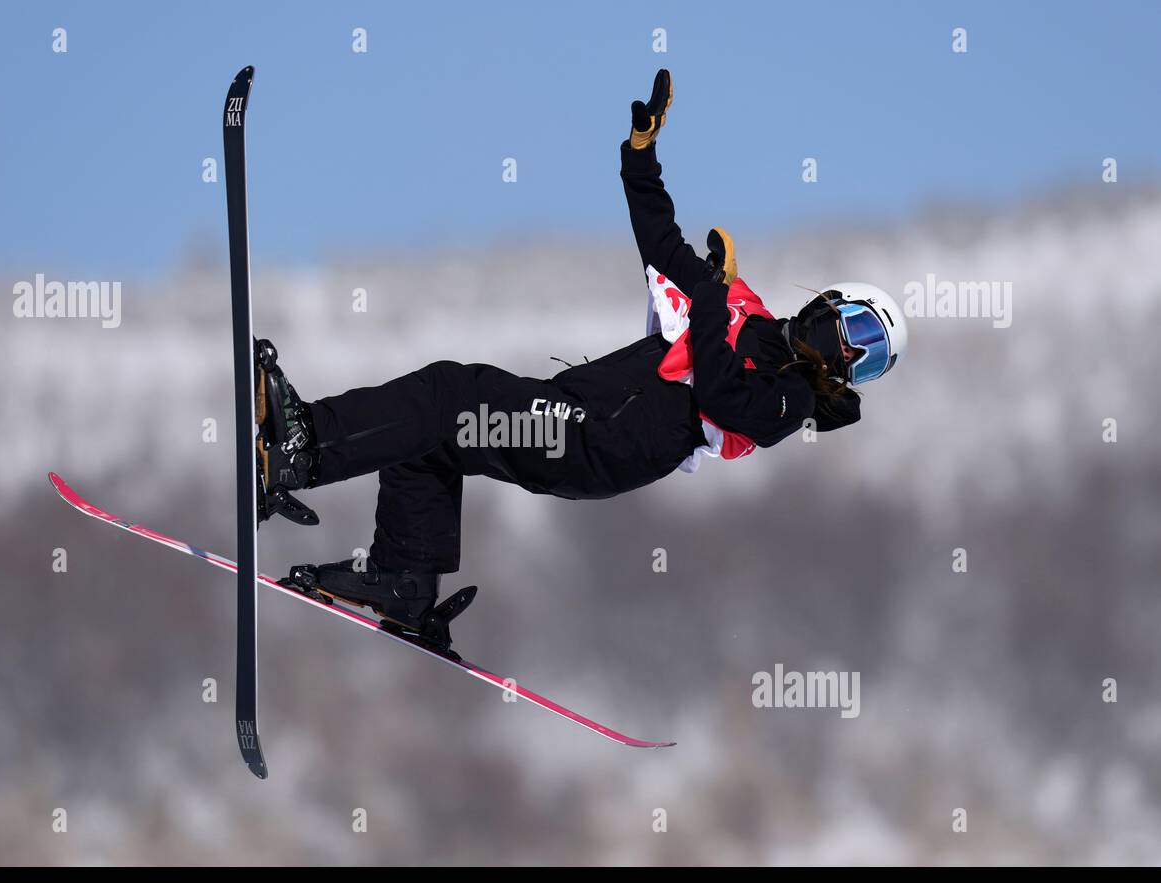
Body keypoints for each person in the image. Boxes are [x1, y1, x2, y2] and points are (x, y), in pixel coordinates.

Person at [254, 69, 907, 645]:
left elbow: (721, 394)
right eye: (860, 330)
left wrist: (710, 294)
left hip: (603, 441)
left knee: (448, 396)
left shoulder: (791, 401)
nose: (852, 352)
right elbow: (663, 247)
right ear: (828, 303)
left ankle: (303, 447)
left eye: (869, 359)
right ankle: (403, 577)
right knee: (438, 432)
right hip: (574, 414)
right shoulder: (742, 306)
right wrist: (640, 157)